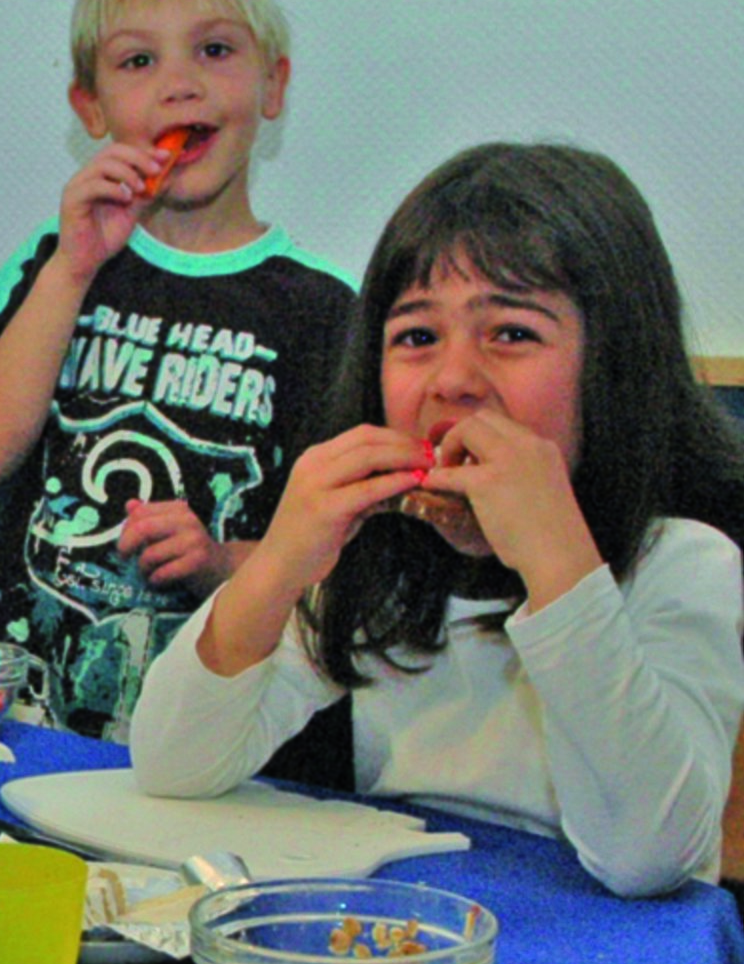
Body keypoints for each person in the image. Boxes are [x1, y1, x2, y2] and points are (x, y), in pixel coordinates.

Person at [130, 143, 744, 897]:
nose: (454, 380)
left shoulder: (681, 561)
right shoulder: (382, 560)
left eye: (512, 334)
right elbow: (170, 765)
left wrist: (557, 565)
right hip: (406, 939)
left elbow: (648, 857)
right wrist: (280, 563)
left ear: (613, 363)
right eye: (417, 338)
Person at [0, 0, 353, 741]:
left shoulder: (326, 308)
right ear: (90, 108)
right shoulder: (56, 260)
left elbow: (330, 568)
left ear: (273, 86)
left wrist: (214, 562)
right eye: (138, 60)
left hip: (219, 740)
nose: (179, 84)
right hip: (30, 720)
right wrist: (73, 269)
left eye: (216, 51)